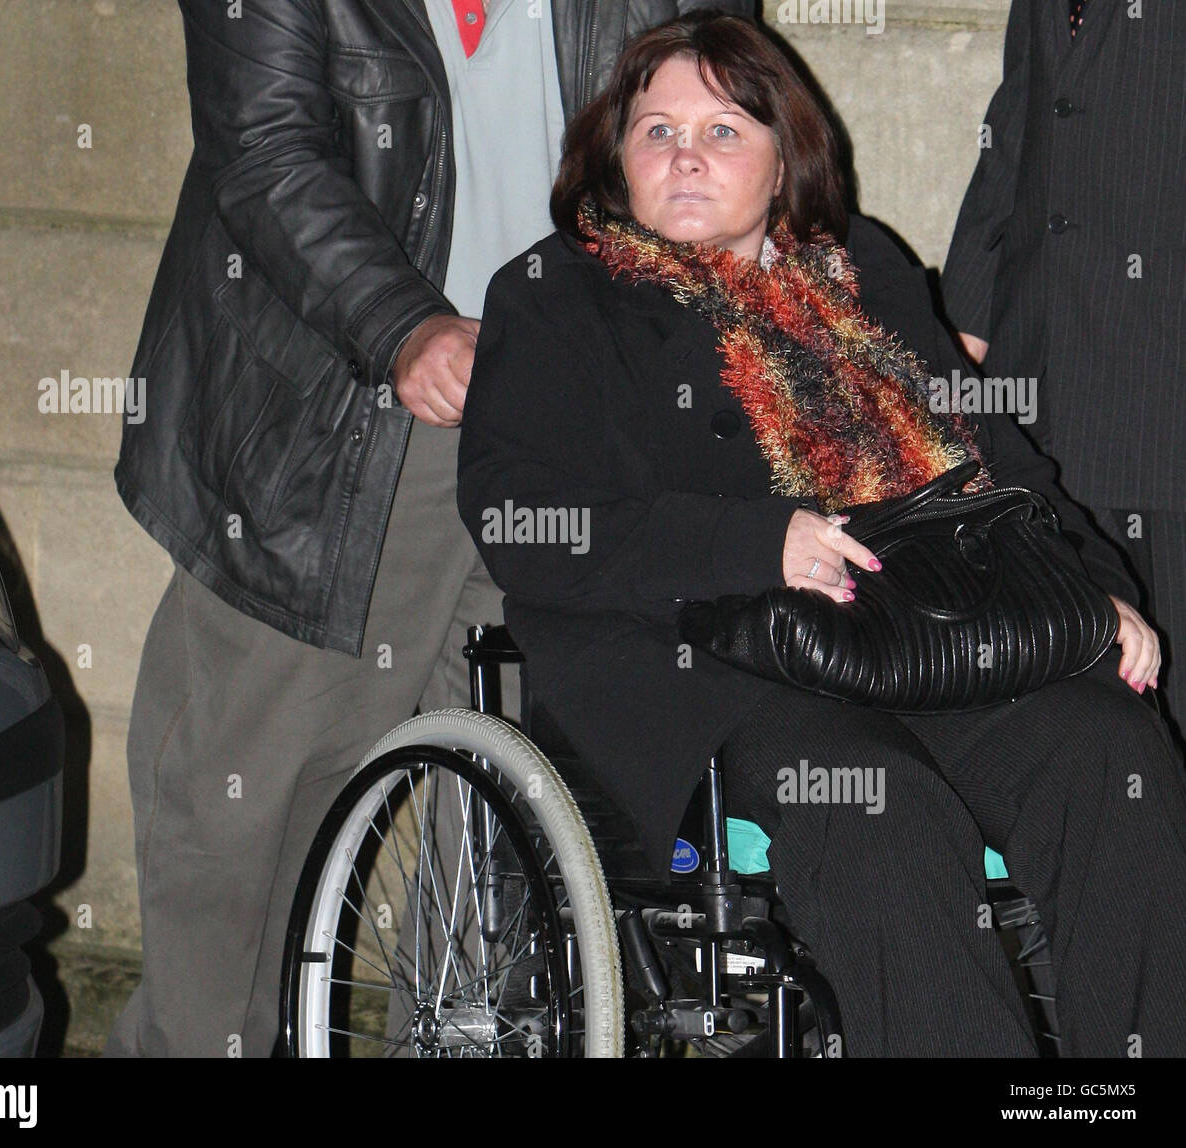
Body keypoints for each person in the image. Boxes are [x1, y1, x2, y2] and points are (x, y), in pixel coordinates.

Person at [457, 10, 1186, 1057]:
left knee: (1105, 751)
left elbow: (995, 459)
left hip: (912, 630)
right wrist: (757, 543)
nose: (686, 156)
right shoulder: (555, 296)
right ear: (613, 156)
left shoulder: (860, 267)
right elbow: (522, 523)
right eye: (655, 132)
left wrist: (1092, 589)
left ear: (785, 154)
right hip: (706, 662)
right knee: (875, 801)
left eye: (722, 130)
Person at [108, 0, 757, 1057]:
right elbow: (262, 147)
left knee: (508, 816)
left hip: (568, 423)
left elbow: (731, 113)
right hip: (333, 420)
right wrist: (401, 324)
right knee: (249, 802)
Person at [943, 0, 1186, 737]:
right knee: (1086, 700)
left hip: (1161, 396)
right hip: (1040, 397)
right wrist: (961, 337)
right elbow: (1016, 134)